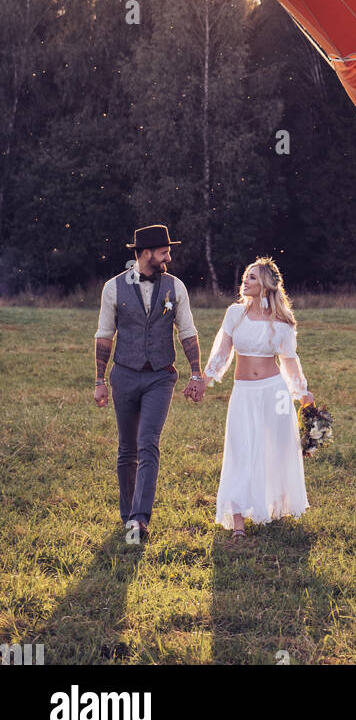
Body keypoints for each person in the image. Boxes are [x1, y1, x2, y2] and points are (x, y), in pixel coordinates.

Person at [93, 224, 203, 542]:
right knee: (127, 449)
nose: (168, 256)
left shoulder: (175, 287)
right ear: (145, 254)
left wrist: (196, 373)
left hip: (160, 375)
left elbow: (187, 332)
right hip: (124, 374)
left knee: (148, 443)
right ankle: (127, 517)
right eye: (164, 251)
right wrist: (100, 380)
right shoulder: (113, 288)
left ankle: (140, 520)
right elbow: (104, 335)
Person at [198, 257, 314, 541]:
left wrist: (301, 393)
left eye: (252, 277)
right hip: (244, 393)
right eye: (245, 277)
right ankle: (237, 519)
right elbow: (222, 352)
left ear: (265, 284)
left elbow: (289, 360)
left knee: (276, 448)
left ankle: (276, 508)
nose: (245, 281)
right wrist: (205, 379)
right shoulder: (235, 314)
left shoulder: (282, 322)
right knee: (240, 450)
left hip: (274, 392)